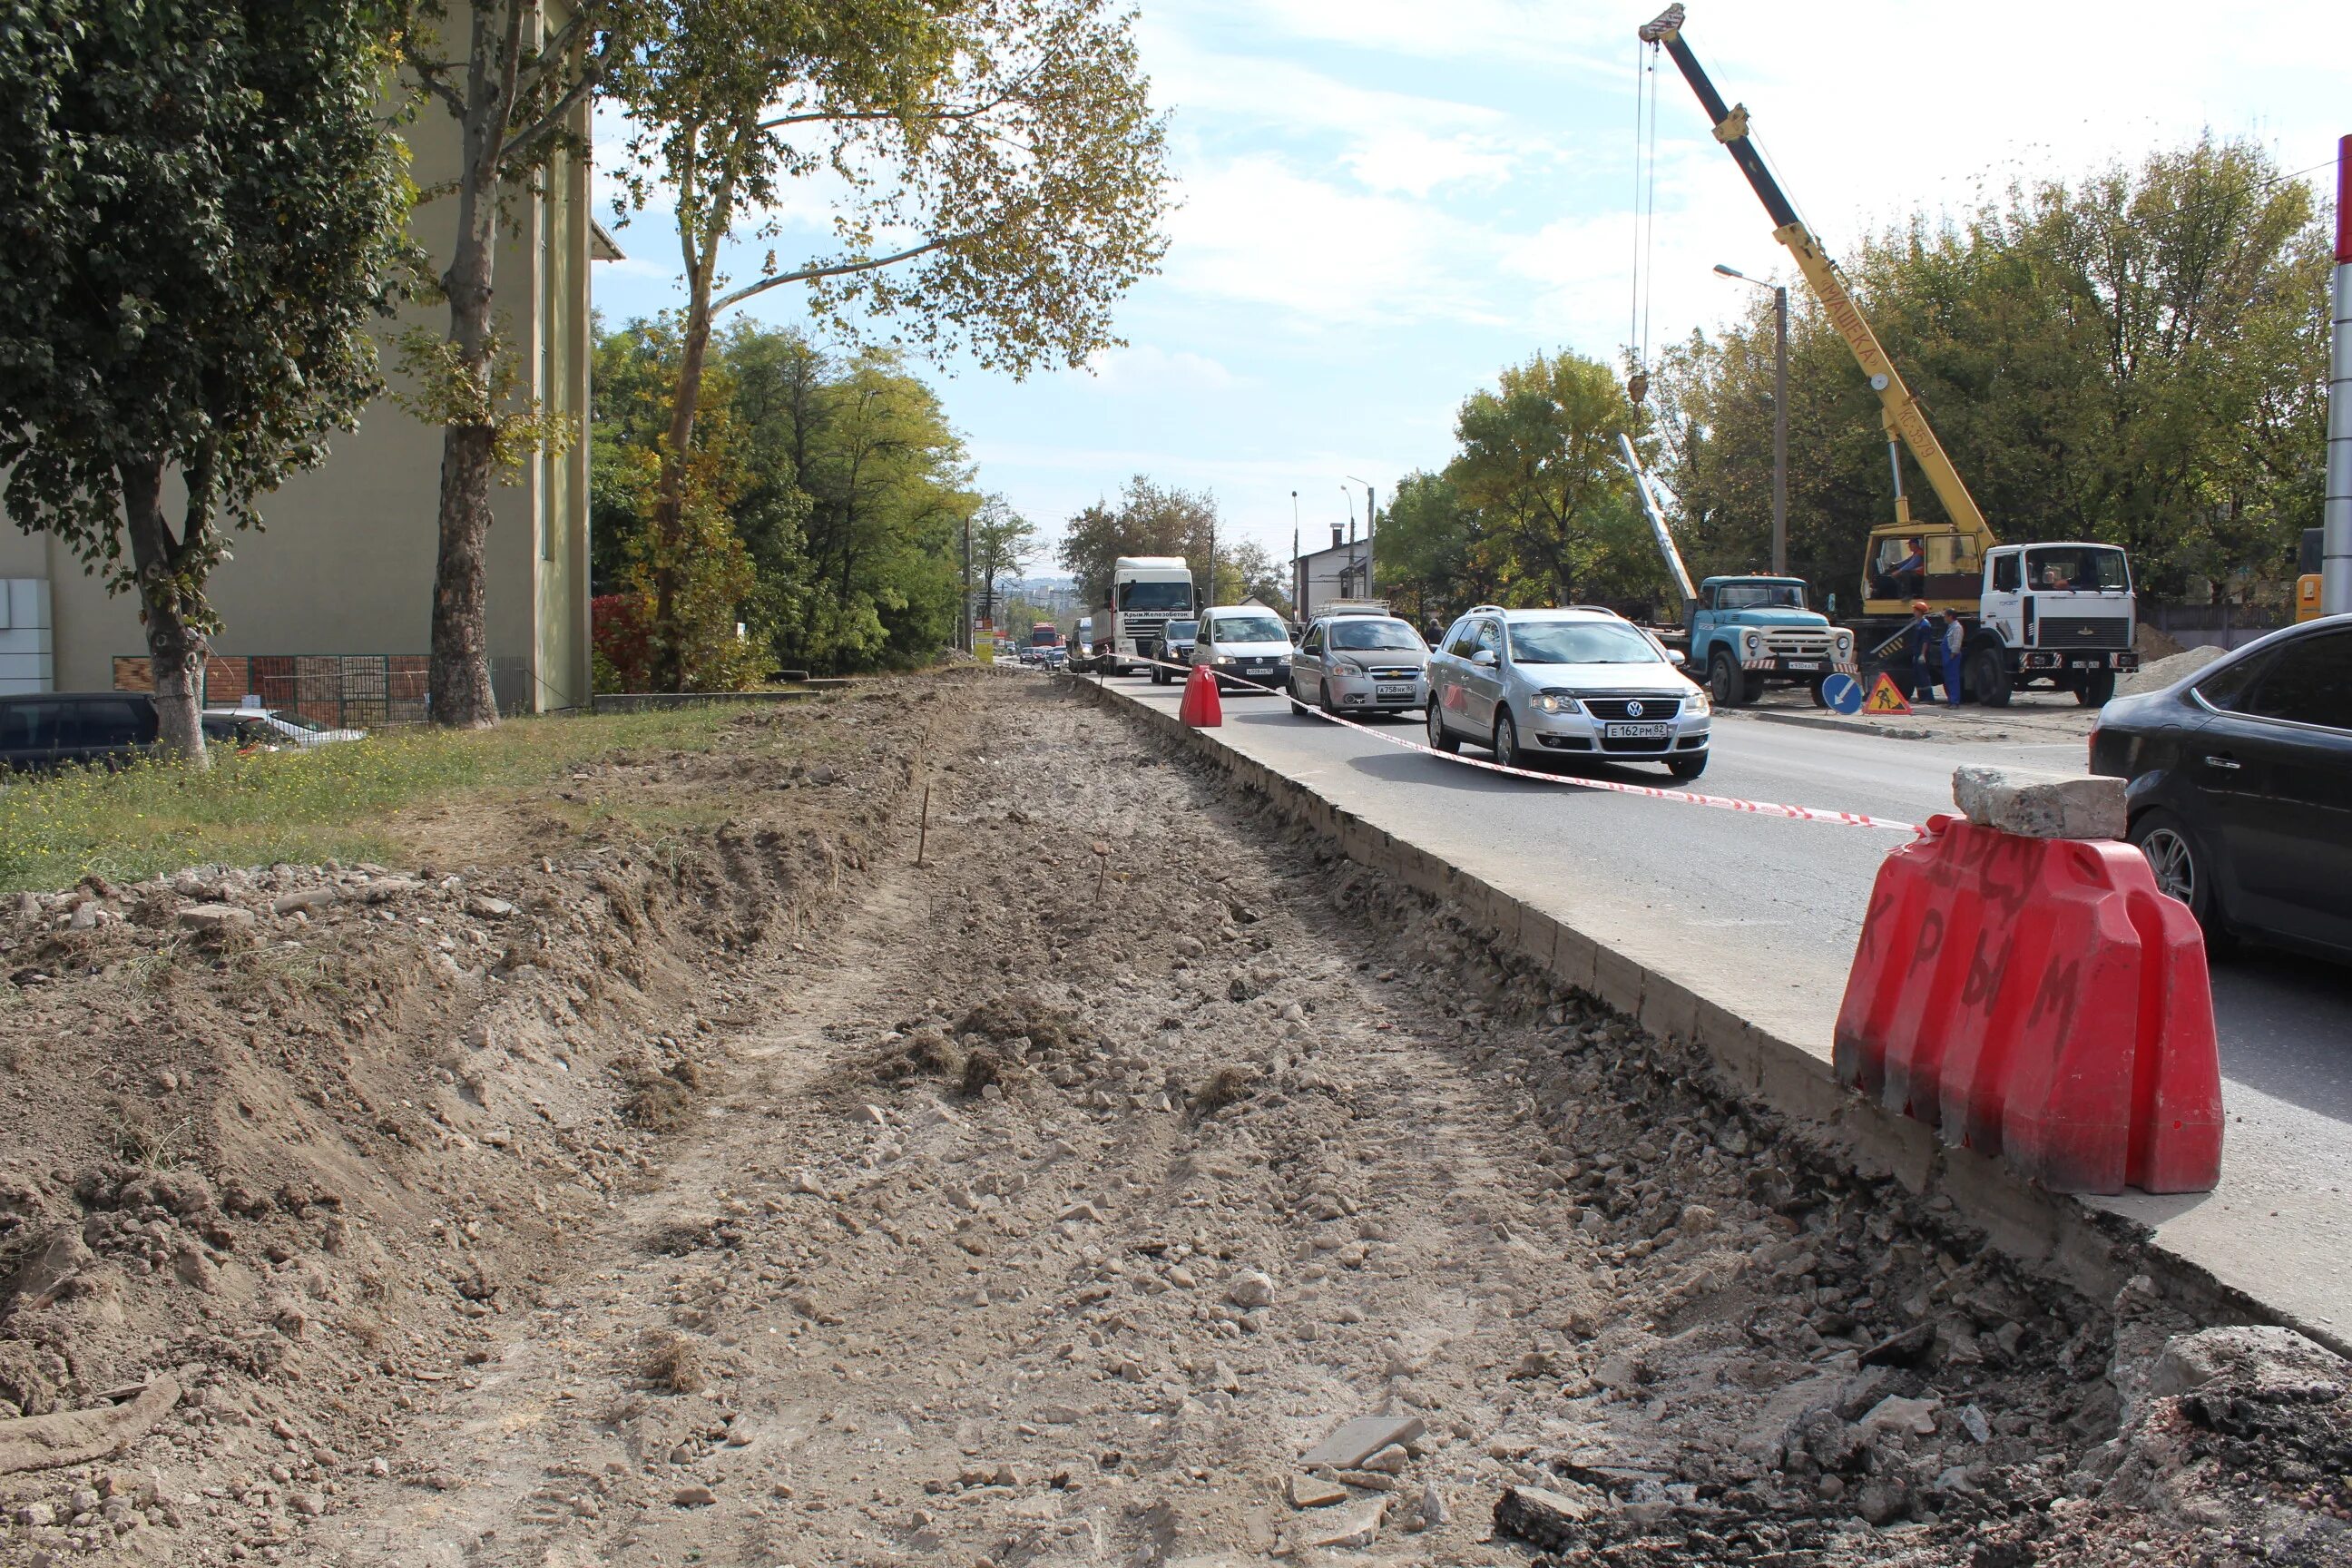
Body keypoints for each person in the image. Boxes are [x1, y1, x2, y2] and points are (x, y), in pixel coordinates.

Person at [1900, 600, 1936, 701]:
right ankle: (1922, 696)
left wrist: (1922, 655)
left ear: (1920, 611)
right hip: (1917, 653)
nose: (1913, 612)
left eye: (1915, 610)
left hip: (1922, 654)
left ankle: (1929, 698)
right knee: (1918, 676)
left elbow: (1925, 641)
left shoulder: (1925, 625)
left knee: (1923, 676)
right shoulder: (1918, 623)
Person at [1939, 608, 1966, 708]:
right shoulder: (1951, 627)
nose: (1944, 618)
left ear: (1950, 616)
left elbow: (1957, 641)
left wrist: (1953, 653)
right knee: (1947, 680)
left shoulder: (1957, 627)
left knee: (1953, 679)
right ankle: (1950, 700)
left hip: (1952, 657)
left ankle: (1955, 702)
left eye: (1945, 616)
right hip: (1947, 657)